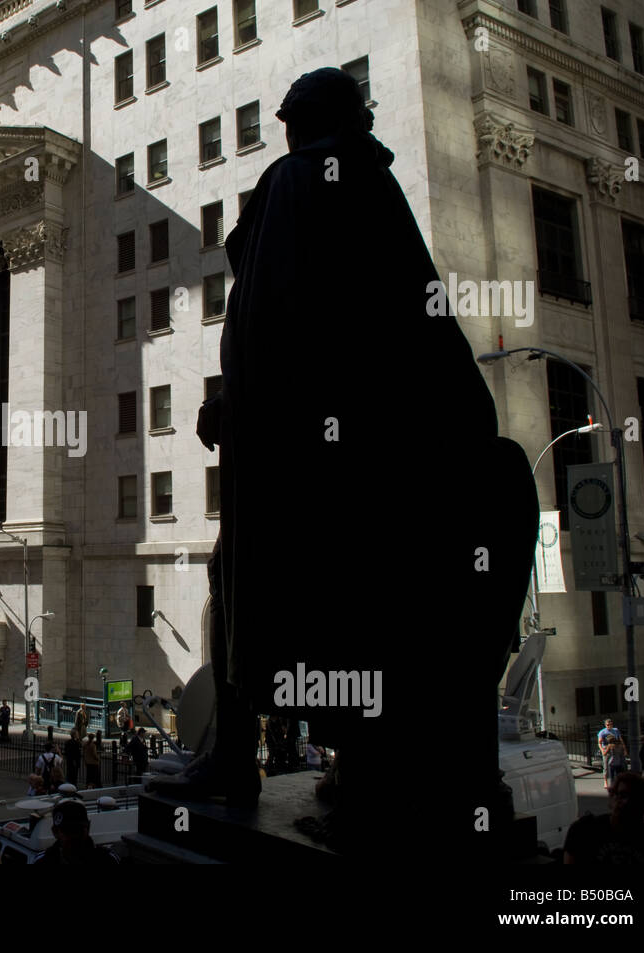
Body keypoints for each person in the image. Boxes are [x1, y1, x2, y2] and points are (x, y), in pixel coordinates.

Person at [151, 68, 539, 867]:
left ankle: (242, 766)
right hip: (392, 452)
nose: (287, 133)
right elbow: (409, 328)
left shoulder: (297, 186)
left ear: (299, 123)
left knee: (245, 585)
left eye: (288, 120)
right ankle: (324, 768)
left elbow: (277, 331)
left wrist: (239, 412)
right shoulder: (372, 186)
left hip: (325, 471)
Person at [564, 772, 644, 864]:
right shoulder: (584, 831)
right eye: (621, 795)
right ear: (612, 797)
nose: (625, 802)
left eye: (633, 798)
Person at [34, 798, 120, 865]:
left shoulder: (107, 860)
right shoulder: (43, 862)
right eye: (68, 831)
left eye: (77, 830)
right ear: (55, 832)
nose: (74, 836)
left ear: (88, 828)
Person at [599, 719, 623, 789]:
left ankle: (617, 782)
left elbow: (620, 739)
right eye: (607, 725)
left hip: (615, 749)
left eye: (611, 724)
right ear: (605, 725)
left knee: (617, 765)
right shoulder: (602, 732)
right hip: (607, 749)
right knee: (606, 766)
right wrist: (602, 750)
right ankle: (605, 781)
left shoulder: (615, 730)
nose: (609, 726)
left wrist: (623, 749)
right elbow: (599, 742)